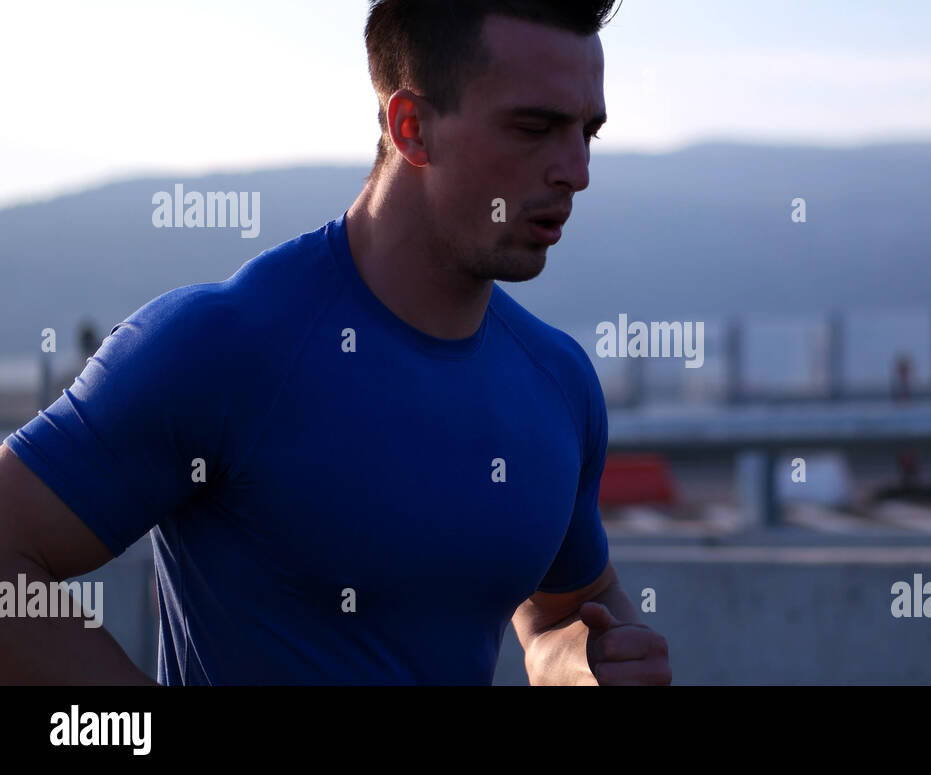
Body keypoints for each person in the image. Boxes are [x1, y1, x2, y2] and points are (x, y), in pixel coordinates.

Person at [0, 0, 670, 686]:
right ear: (412, 128)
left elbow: (558, 620)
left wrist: (592, 663)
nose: (576, 171)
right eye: (534, 128)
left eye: (588, 131)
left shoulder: (559, 382)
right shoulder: (219, 346)